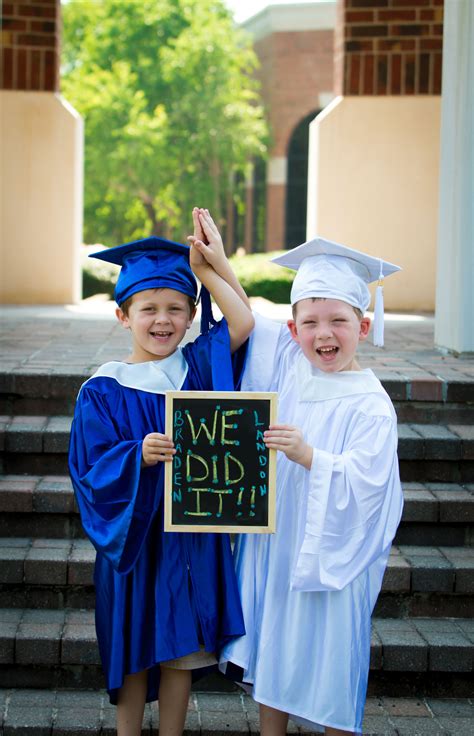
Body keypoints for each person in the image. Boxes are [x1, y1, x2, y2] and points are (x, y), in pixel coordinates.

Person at [68, 212, 254, 736]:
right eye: (148, 309)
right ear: (123, 316)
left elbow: (241, 324)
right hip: (134, 540)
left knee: (182, 651)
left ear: (193, 315)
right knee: (133, 647)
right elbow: (89, 471)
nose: (162, 320)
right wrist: (137, 455)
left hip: (188, 537)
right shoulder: (102, 390)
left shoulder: (195, 368)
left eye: (176, 307)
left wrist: (209, 265)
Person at [217, 234, 405, 736]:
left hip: (335, 561)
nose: (324, 334)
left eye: (339, 321)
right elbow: (250, 321)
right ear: (294, 329)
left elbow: (371, 488)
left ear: (363, 326)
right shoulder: (291, 365)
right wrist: (215, 263)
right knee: (274, 654)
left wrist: (312, 458)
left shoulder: (370, 404)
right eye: (310, 323)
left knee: (330, 669)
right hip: (281, 546)